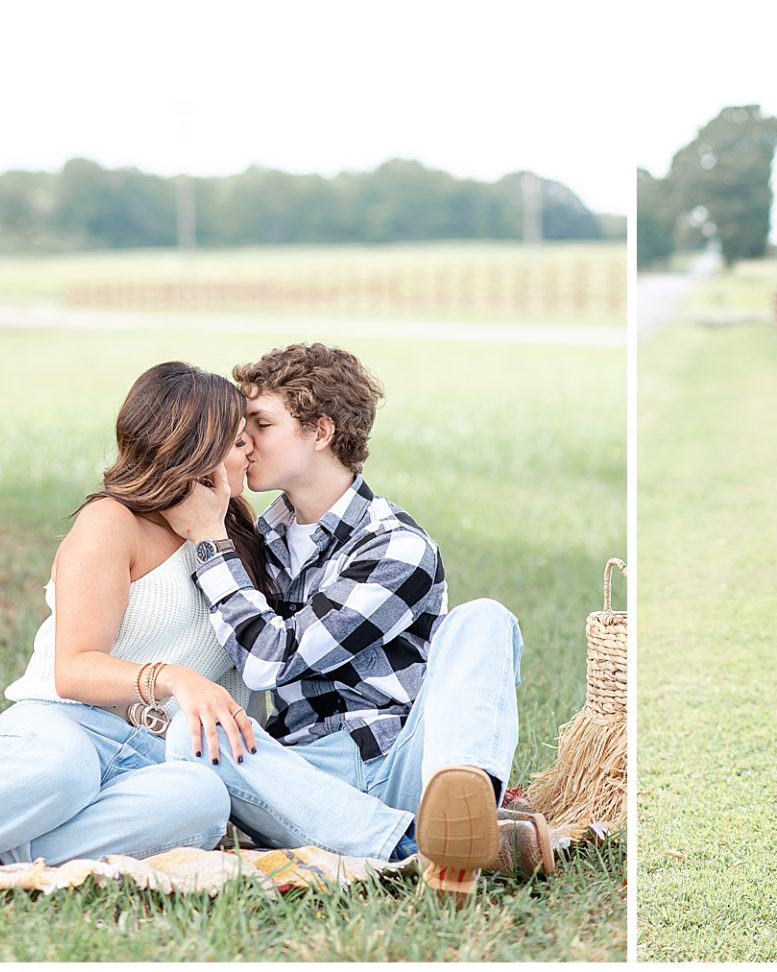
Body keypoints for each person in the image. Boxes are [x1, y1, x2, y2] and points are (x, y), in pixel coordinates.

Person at [157, 342, 531, 895]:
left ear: (321, 431)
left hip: (405, 761)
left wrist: (212, 544)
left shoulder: (397, 548)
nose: (242, 443)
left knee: (484, 618)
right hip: (310, 779)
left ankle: (460, 800)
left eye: (261, 423)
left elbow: (267, 661)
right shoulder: (261, 541)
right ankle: (420, 846)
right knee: (192, 736)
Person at [0, 362, 264, 883]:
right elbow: (74, 671)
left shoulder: (232, 538)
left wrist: (212, 534)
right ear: (199, 454)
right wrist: (172, 677)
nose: (251, 452)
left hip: (155, 752)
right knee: (63, 771)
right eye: (239, 443)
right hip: (65, 725)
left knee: (201, 799)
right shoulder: (112, 522)